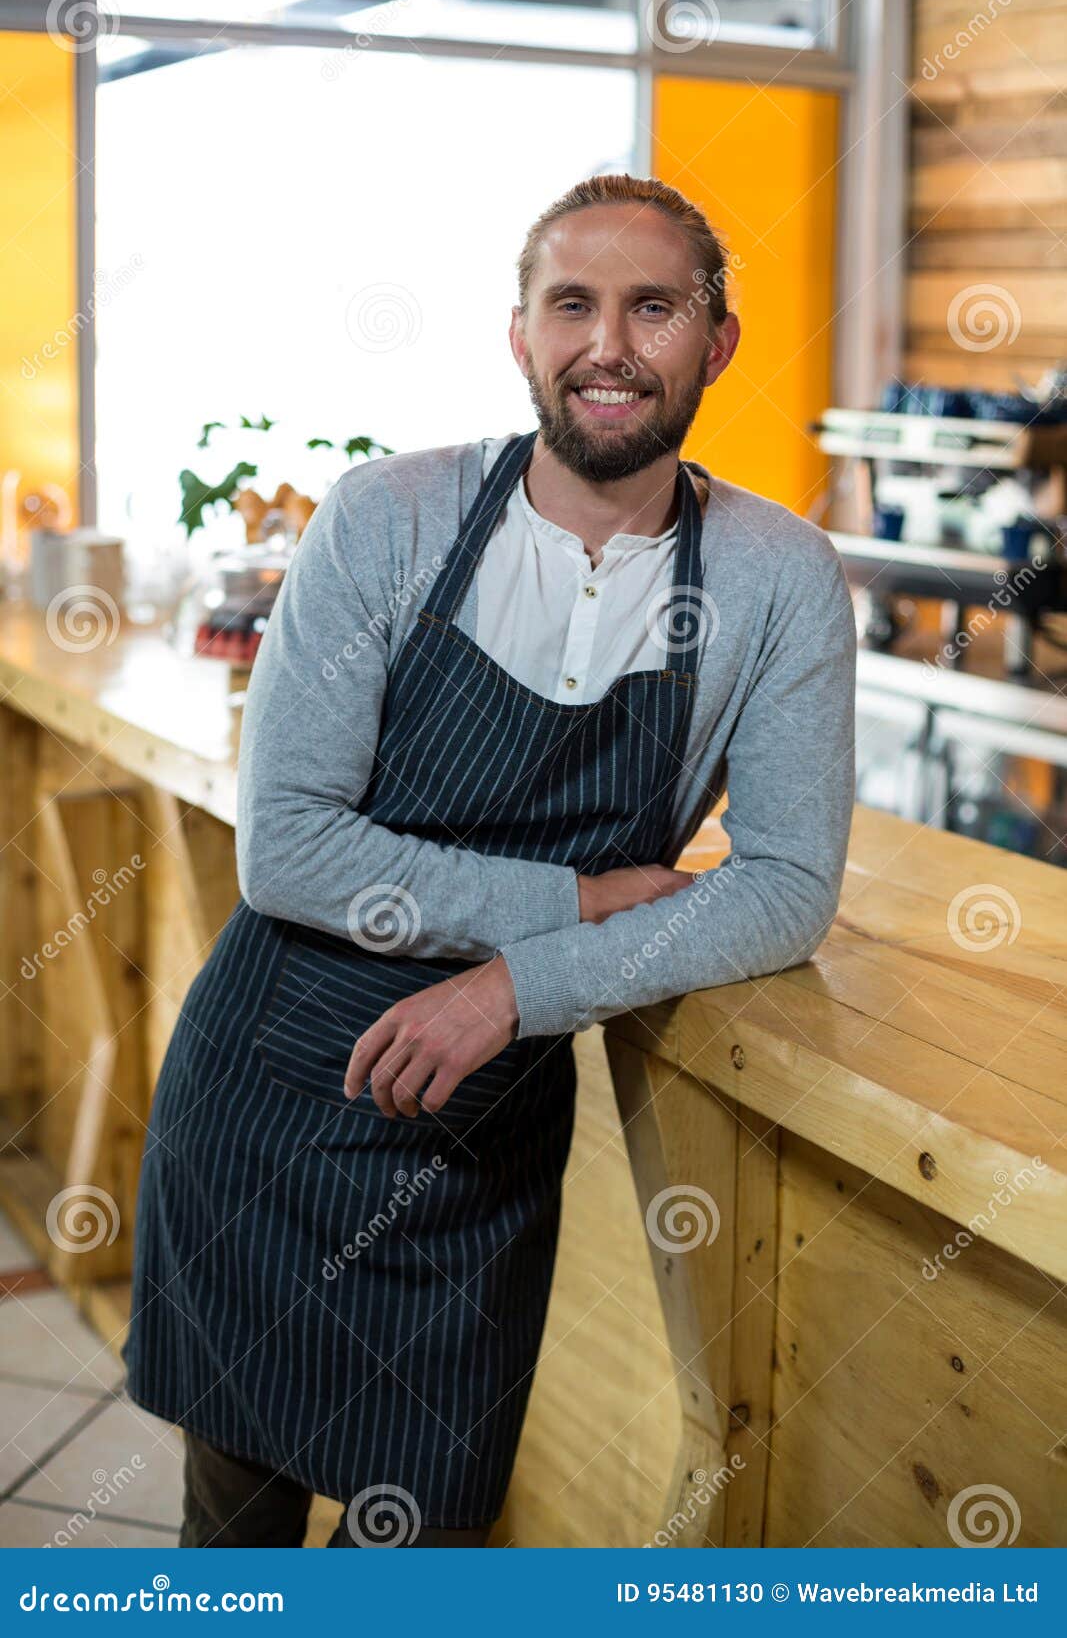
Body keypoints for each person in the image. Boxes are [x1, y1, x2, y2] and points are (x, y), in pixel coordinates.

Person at [120, 172, 856, 1549]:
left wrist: (514, 986)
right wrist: (567, 903)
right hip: (270, 1100)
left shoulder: (777, 574)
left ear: (718, 341)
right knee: (237, 1533)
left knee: (421, 1545)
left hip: (480, 1142)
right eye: (570, 303)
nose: (609, 345)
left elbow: (787, 887)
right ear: (520, 335)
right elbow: (288, 847)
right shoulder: (386, 518)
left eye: (655, 307)